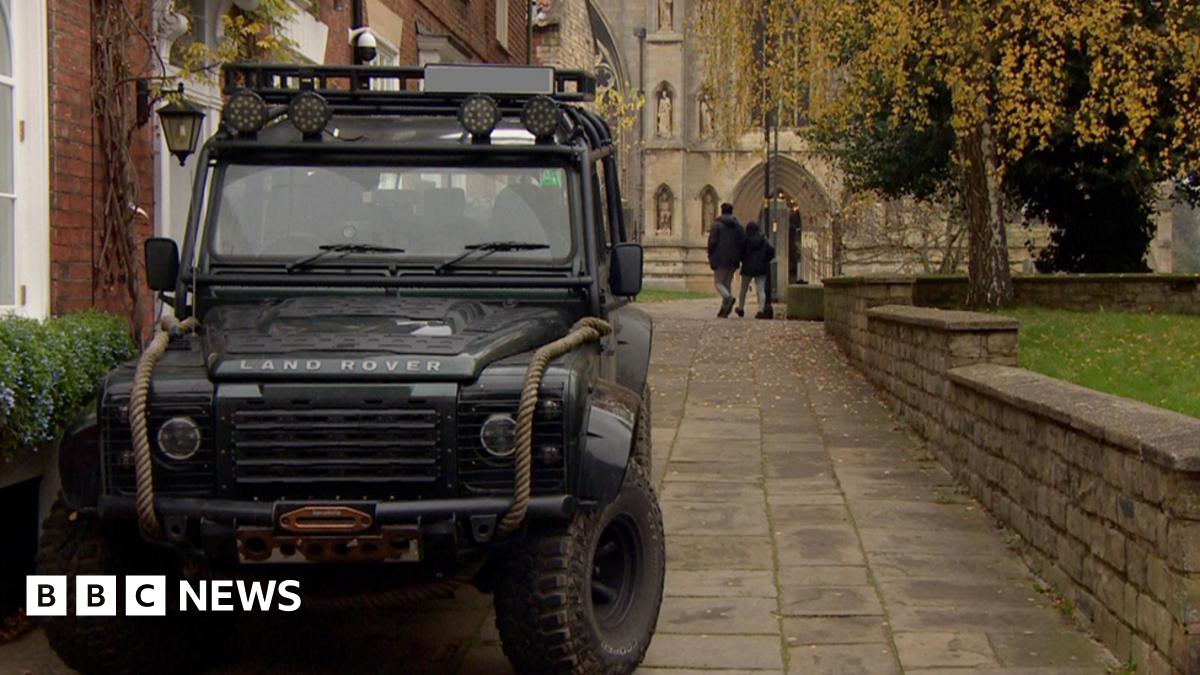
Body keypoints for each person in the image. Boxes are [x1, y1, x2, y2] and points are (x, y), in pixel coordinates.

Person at [707, 202, 744, 317]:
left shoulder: (716, 225)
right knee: (727, 283)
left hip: (720, 258)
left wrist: (710, 253)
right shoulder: (738, 226)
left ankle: (728, 298)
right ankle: (724, 310)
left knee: (718, 283)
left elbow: (712, 241)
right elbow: (742, 242)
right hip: (733, 259)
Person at [736, 221, 775, 319]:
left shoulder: (745, 240)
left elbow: (740, 252)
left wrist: (743, 259)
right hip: (761, 267)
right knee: (761, 289)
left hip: (747, 266)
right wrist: (767, 259)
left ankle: (741, 308)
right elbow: (771, 251)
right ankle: (760, 310)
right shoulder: (764, 240)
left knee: (743, 289)